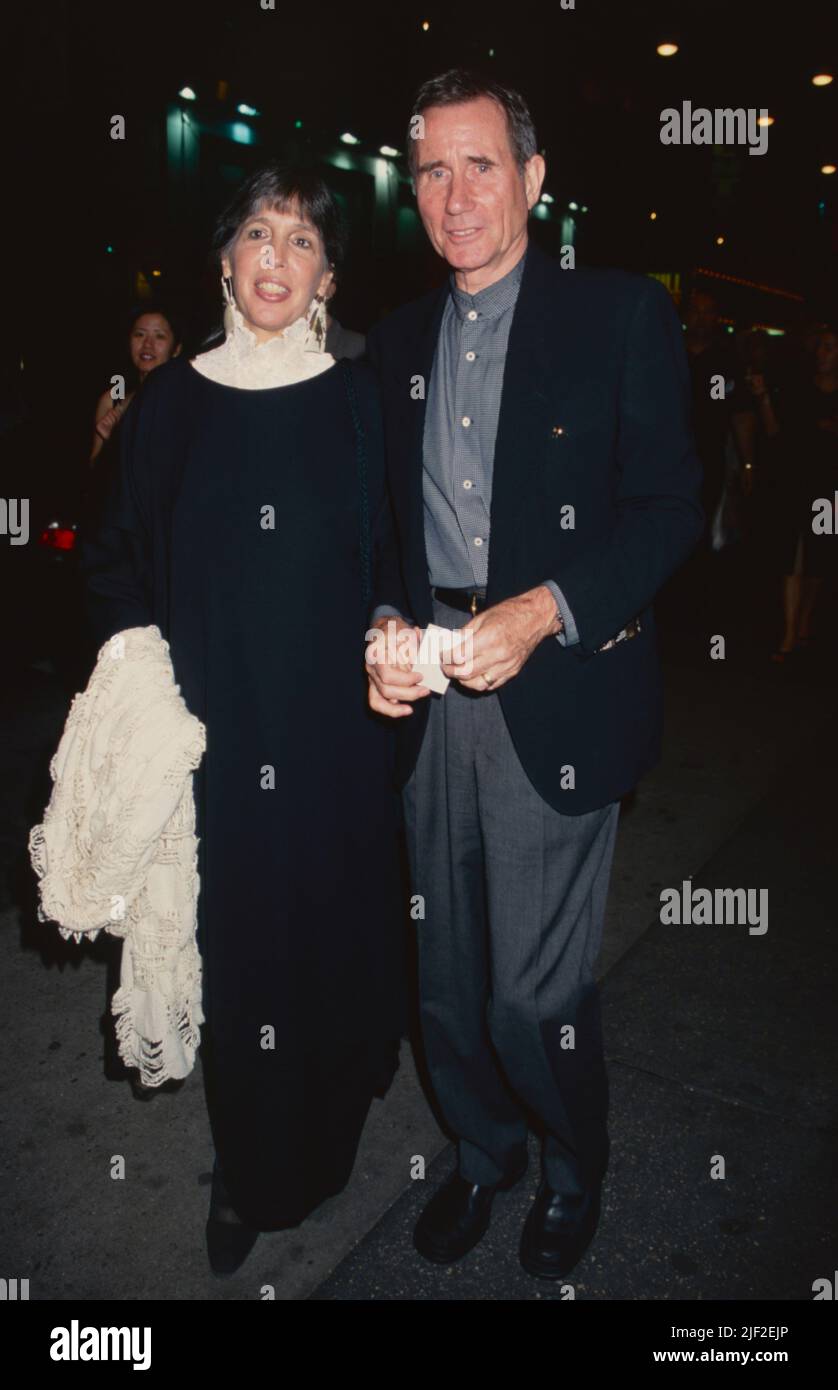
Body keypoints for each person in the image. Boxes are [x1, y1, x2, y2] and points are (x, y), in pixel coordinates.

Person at [364, 69, 704, 1280]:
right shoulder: (394, 341)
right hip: (429, 710)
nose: (455, 196)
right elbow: (376, 535)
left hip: (552, 687)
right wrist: (382, 626)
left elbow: (672, 510)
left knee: (529, 990)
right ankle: (482, 1152)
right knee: (446, 984)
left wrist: (549, 608)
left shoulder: (616, 316)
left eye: (481, 165)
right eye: (431, 172)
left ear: (534, 180)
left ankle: (573, 1165)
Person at [79, 163, 405, 1276]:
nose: (277, 257)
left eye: (303, 241)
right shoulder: (169, 407)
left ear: (325, 275)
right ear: (224, 257)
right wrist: (141, 675)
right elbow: (114, 562)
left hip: (337, 736)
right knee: (243, 954)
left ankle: (334, 1119)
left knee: (332, 942)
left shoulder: (360, 402)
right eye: (259, 234)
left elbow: (396, 560)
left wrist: (391, 626)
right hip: (214, 739)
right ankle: (255, 1173)